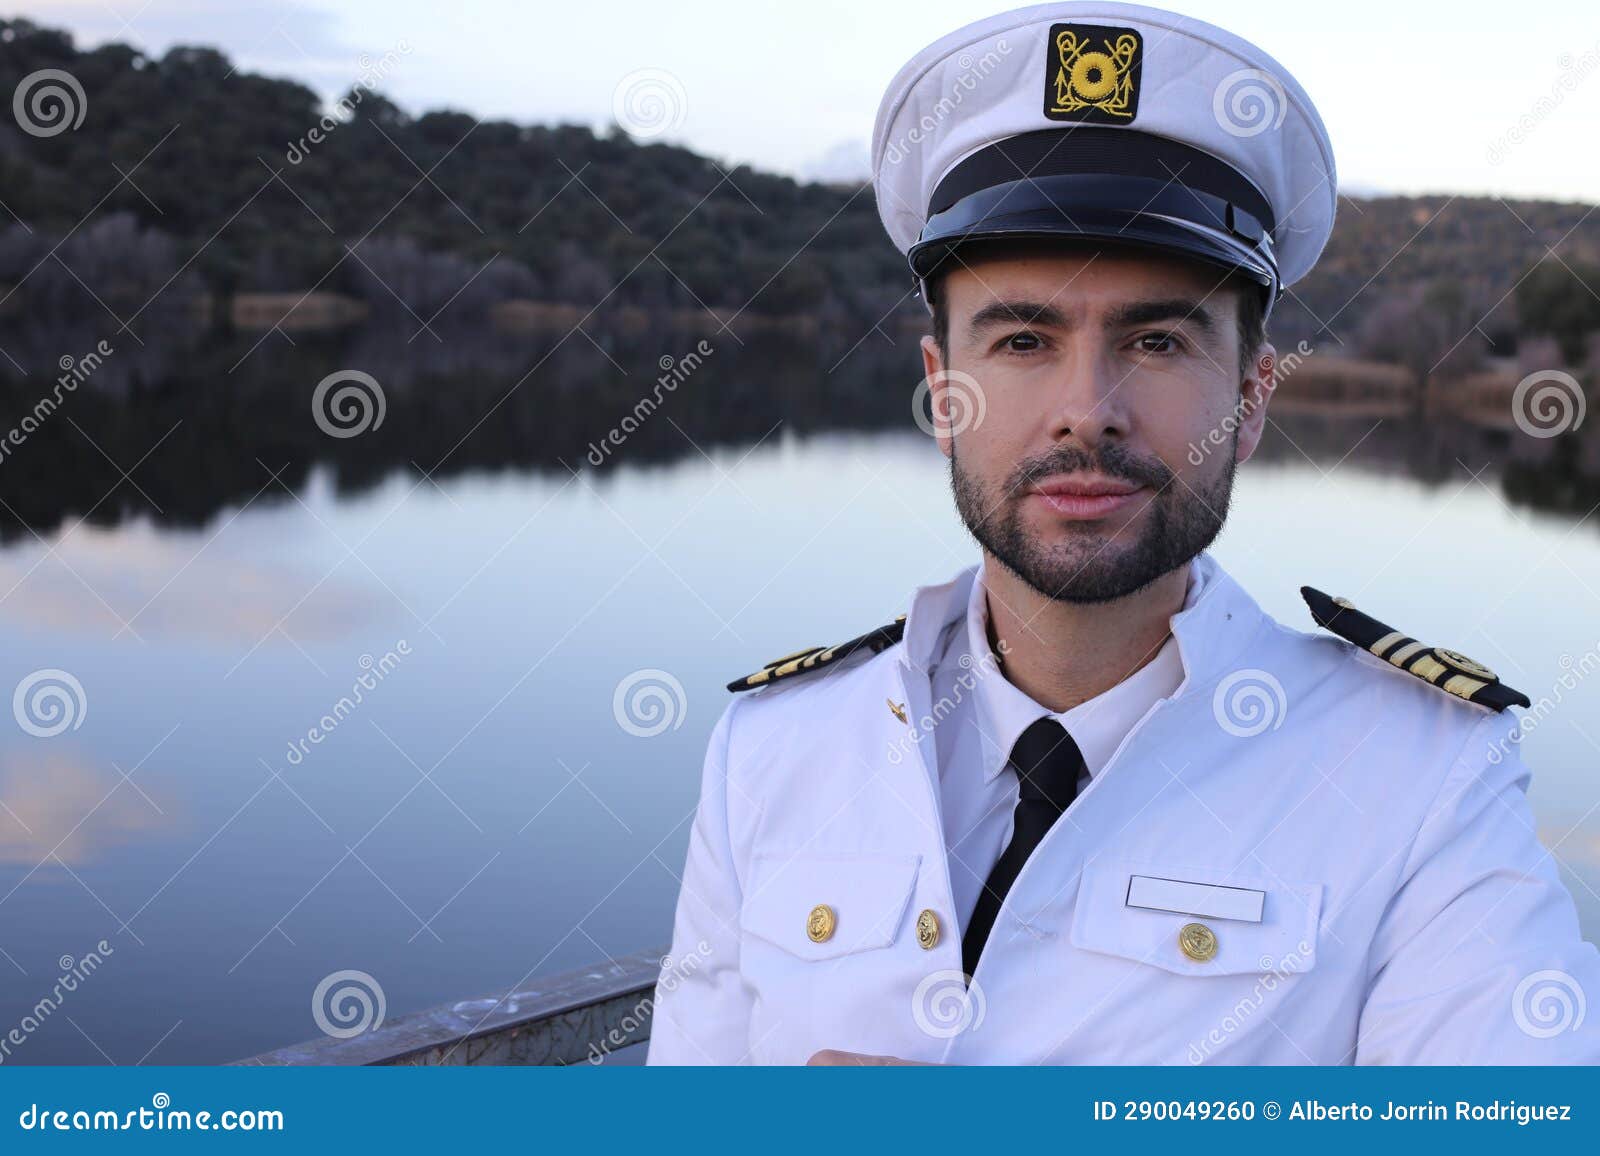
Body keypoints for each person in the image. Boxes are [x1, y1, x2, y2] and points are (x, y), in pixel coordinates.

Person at [645, 1, 1600, 1065]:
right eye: (1023, 339)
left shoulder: (1420, 773)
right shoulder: (777, 750)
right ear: (944, 392)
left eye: (1156, 340)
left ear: (1251, 399)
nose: (1087, 411)